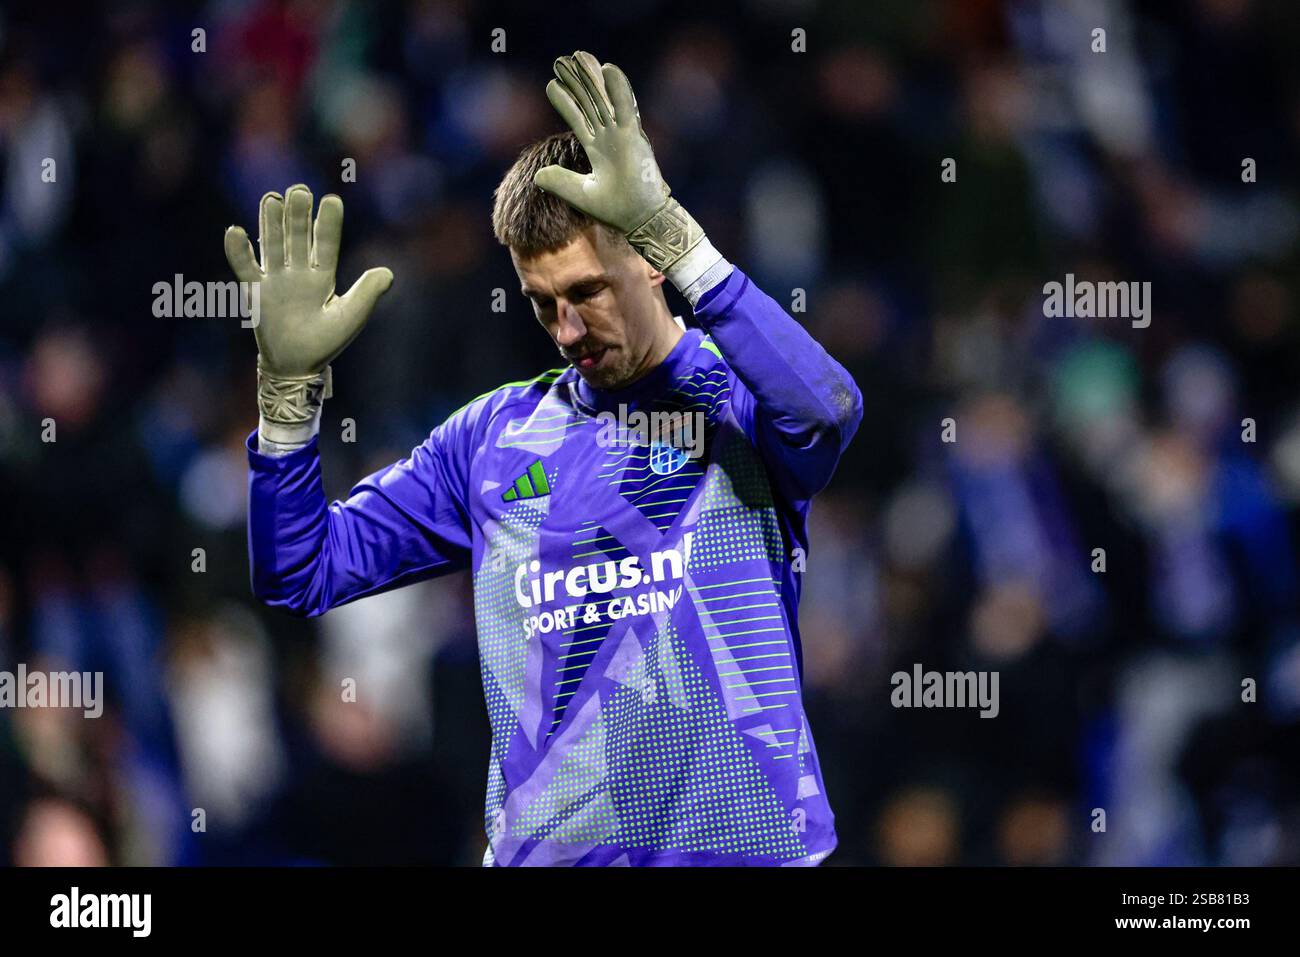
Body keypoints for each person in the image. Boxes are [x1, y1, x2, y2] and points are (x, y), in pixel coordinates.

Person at [229, 51, 862, 866]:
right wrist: (285, 404)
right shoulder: (489, 441)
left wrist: (687, 242)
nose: (565, 329)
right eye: (542, 303)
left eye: (587, 292)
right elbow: (299, 568)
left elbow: (829, 406)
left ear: (648, 256)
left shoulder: (739, 398)